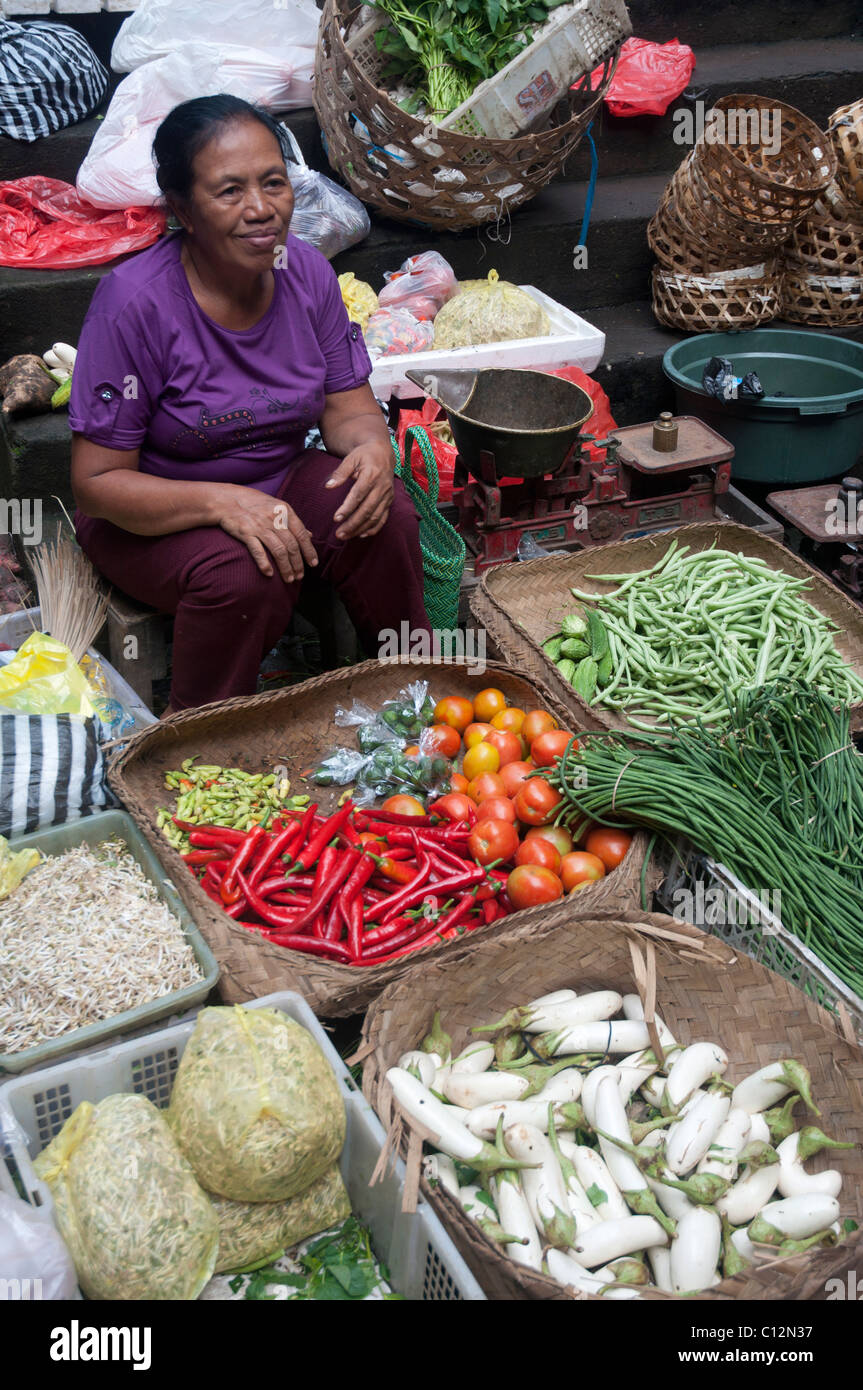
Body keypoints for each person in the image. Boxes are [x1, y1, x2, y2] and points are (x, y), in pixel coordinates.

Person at [70, 94, 431, 713]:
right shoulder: (136, 304)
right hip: (152, 515)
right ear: (181, 207)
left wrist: (372, 447)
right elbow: (98, 484)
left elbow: (346, 407)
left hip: (277, 483)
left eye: (273, 183)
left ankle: (416, 697)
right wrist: (225, 502)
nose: (261, 209)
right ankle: (200, 746)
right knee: (244, 571)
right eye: (229, 191)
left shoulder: (307, 275)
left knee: (383, 512)